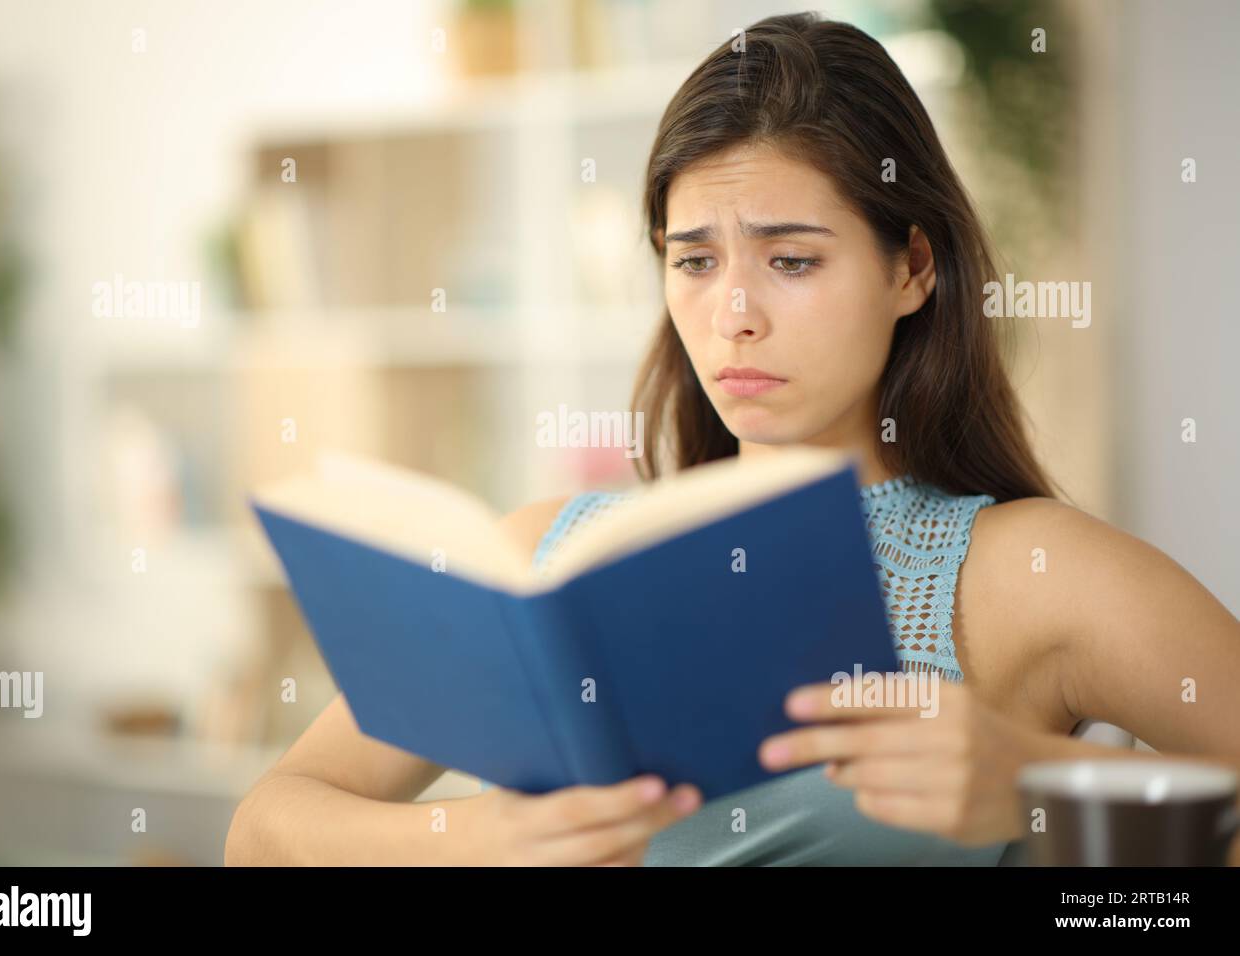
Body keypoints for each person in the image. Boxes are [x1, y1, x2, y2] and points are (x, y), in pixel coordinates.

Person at [225, 12, 1240, 866]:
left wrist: (1039, 788)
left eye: (791, 260)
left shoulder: (1026, 572)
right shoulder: (550, 555)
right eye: (693, 260)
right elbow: (265, 828)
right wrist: (486, 834)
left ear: (911, 268)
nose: (734, 313)